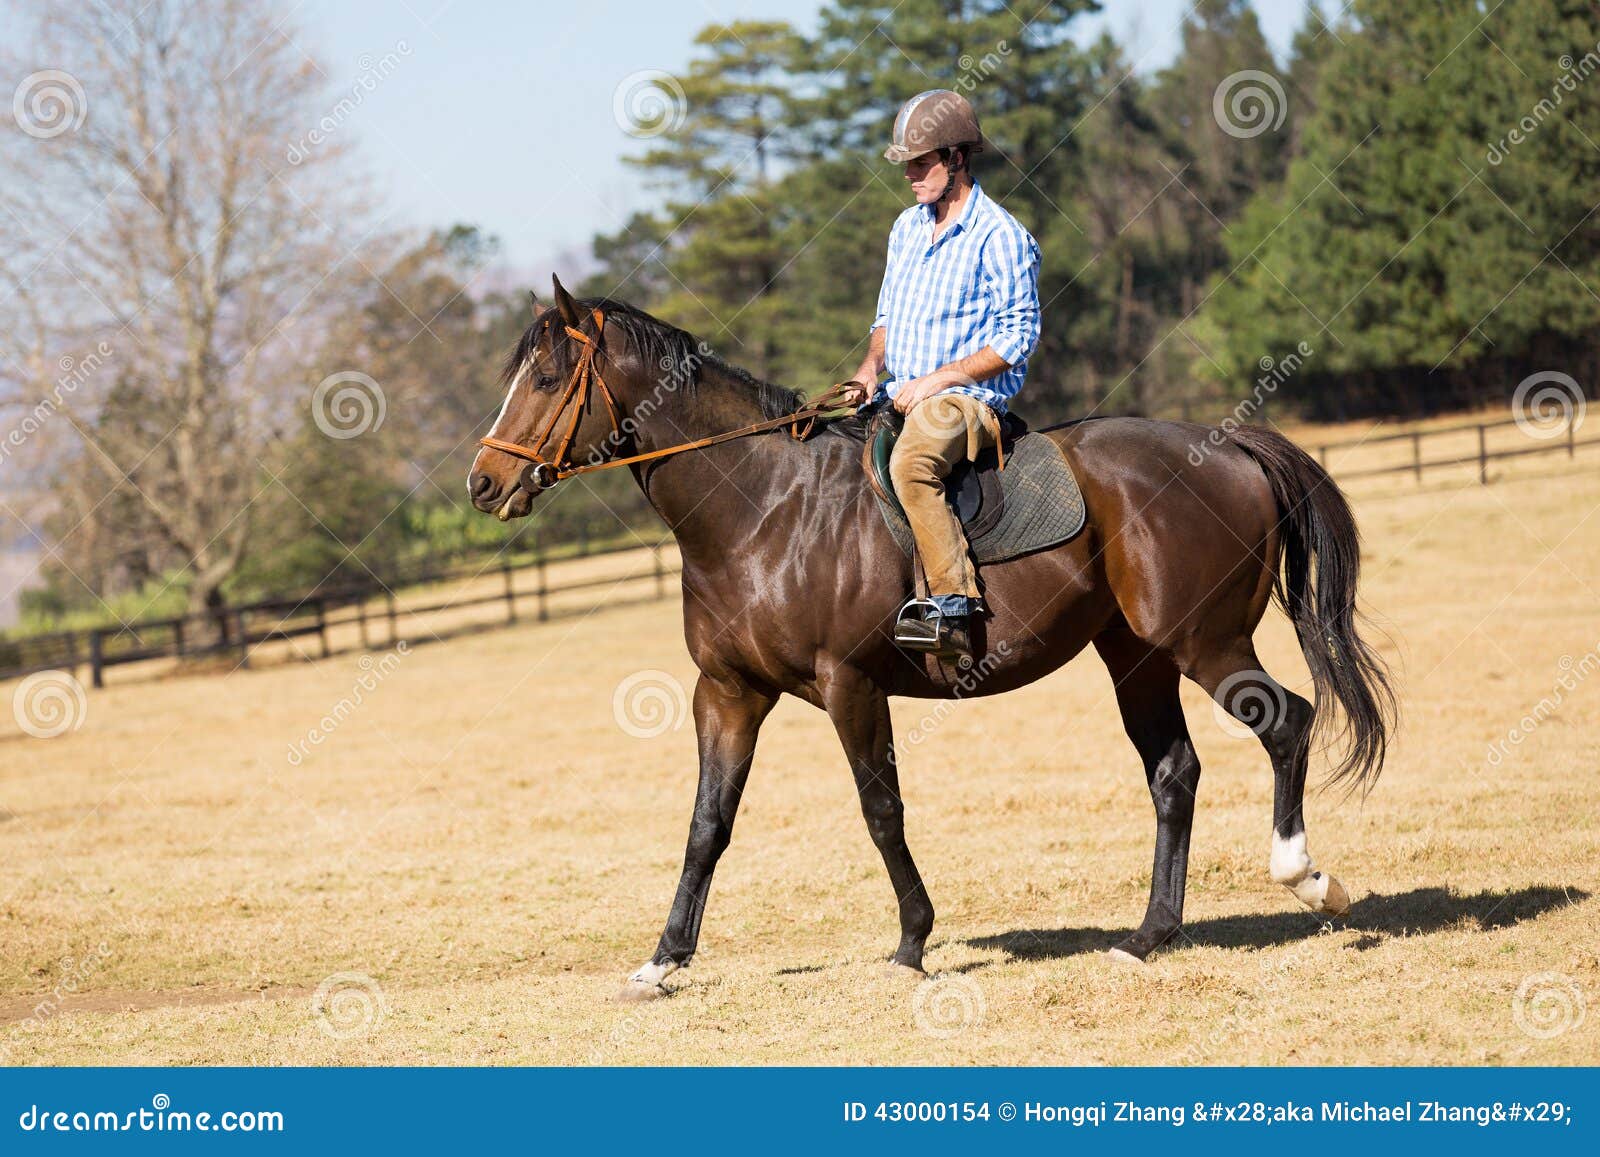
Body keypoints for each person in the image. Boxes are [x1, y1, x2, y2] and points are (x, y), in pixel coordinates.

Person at [842, 89, 1041, 660]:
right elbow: (885, 319)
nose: (910, 173)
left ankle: (954, 607)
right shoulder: (905, 228)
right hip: (898, 392)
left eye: (921, 161)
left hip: (966, 402)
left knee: (911, 464)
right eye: (906, 162)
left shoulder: (1001, 236)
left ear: (957, 158)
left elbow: (1017, 336)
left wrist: (941, 378)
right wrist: (867, 370)